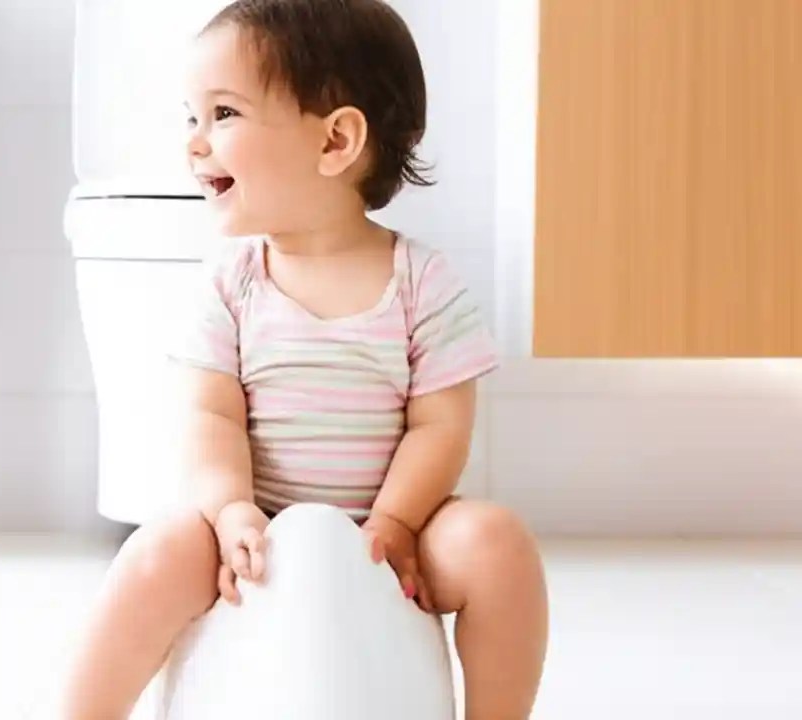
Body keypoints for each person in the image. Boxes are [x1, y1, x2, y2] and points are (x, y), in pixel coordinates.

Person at [59, 2, 547, 717]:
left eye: (223, 114)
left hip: (387, 530)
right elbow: (210, 413)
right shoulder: (231, 281)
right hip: (252, 523)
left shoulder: (421, 282)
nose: (195, 144)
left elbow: (440, 426)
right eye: (190, 118)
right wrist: (227, 511)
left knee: (496, 545)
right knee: (158, 552)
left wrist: (399, 520)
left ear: (336, 141)